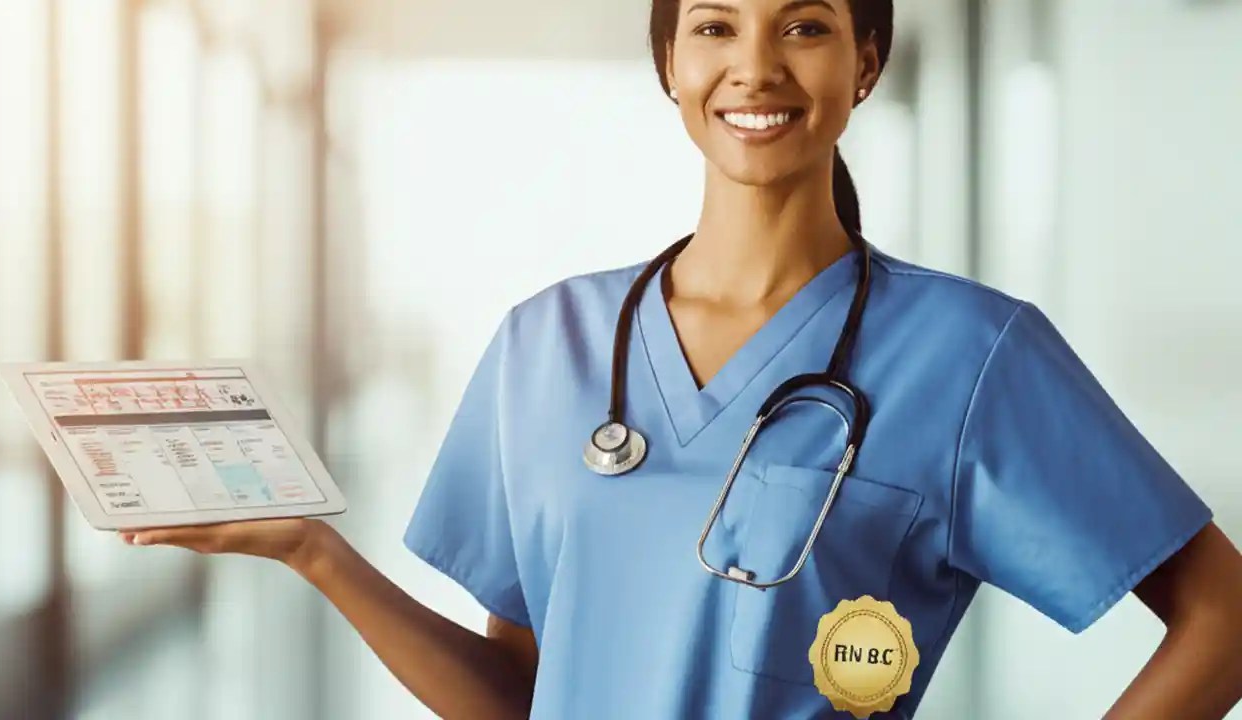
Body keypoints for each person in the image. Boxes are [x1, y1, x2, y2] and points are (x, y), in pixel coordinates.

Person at [119, 0, 1242, 717]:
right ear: (668, 62)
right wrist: (316, 555)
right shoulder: (544, 344)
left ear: (863, 62)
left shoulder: (969, 355)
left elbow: (1222, 618)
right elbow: (518, 693)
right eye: (713, 25)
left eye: (801, 26)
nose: (752, 67)